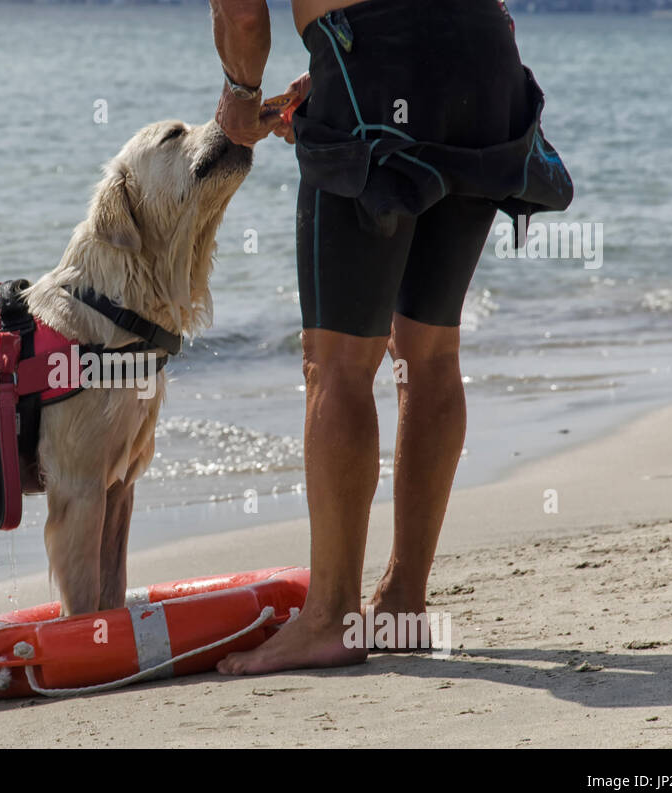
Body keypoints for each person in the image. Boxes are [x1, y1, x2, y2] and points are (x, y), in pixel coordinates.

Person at [209, 0, 572, 674]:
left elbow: (242, 14)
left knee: (338, 365)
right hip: (484, 55)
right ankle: (403, 602)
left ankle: (329, 618)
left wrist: (240, 99)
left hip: (374, 61)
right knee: (430, 351)